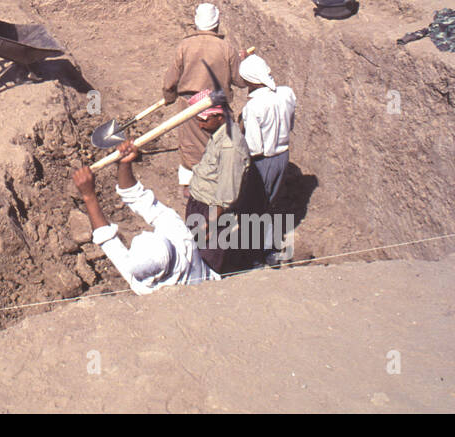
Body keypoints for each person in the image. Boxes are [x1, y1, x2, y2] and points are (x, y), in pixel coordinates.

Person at [71, 140, 216, 294]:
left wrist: (88, 195)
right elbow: (140, 200)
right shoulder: (183, 242)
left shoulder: (143, 287)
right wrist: (124, 165)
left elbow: (106, 238)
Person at [161, 3, 248, 190]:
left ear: (196, 23)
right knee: (220, 148)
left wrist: (169, 97)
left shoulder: (185, 46)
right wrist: (241, 62)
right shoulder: (226, 48)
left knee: (192, 151)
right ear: (217, 24)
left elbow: (170, 81)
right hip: (218, 108)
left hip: (190, 108)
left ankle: (194, 194)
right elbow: (240, 81)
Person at [183, 97, 268, 276]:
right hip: (202, 207)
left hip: (211, 214)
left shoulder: (230, 147)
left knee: (206, 264)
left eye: (204, 121)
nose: (200, 127)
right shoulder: (220, 134)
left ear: (220, 117)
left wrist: (209, 228)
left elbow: (225, 196)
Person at [238, 53, 297, 265]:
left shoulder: (253, 107)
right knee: (272, 204)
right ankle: (271, 250)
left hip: (263, 162)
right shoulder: (286, 94)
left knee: (253, 207)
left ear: (248, 81)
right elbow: (290, 124)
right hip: (283, 156)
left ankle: (254, 256)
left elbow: (254, 147)